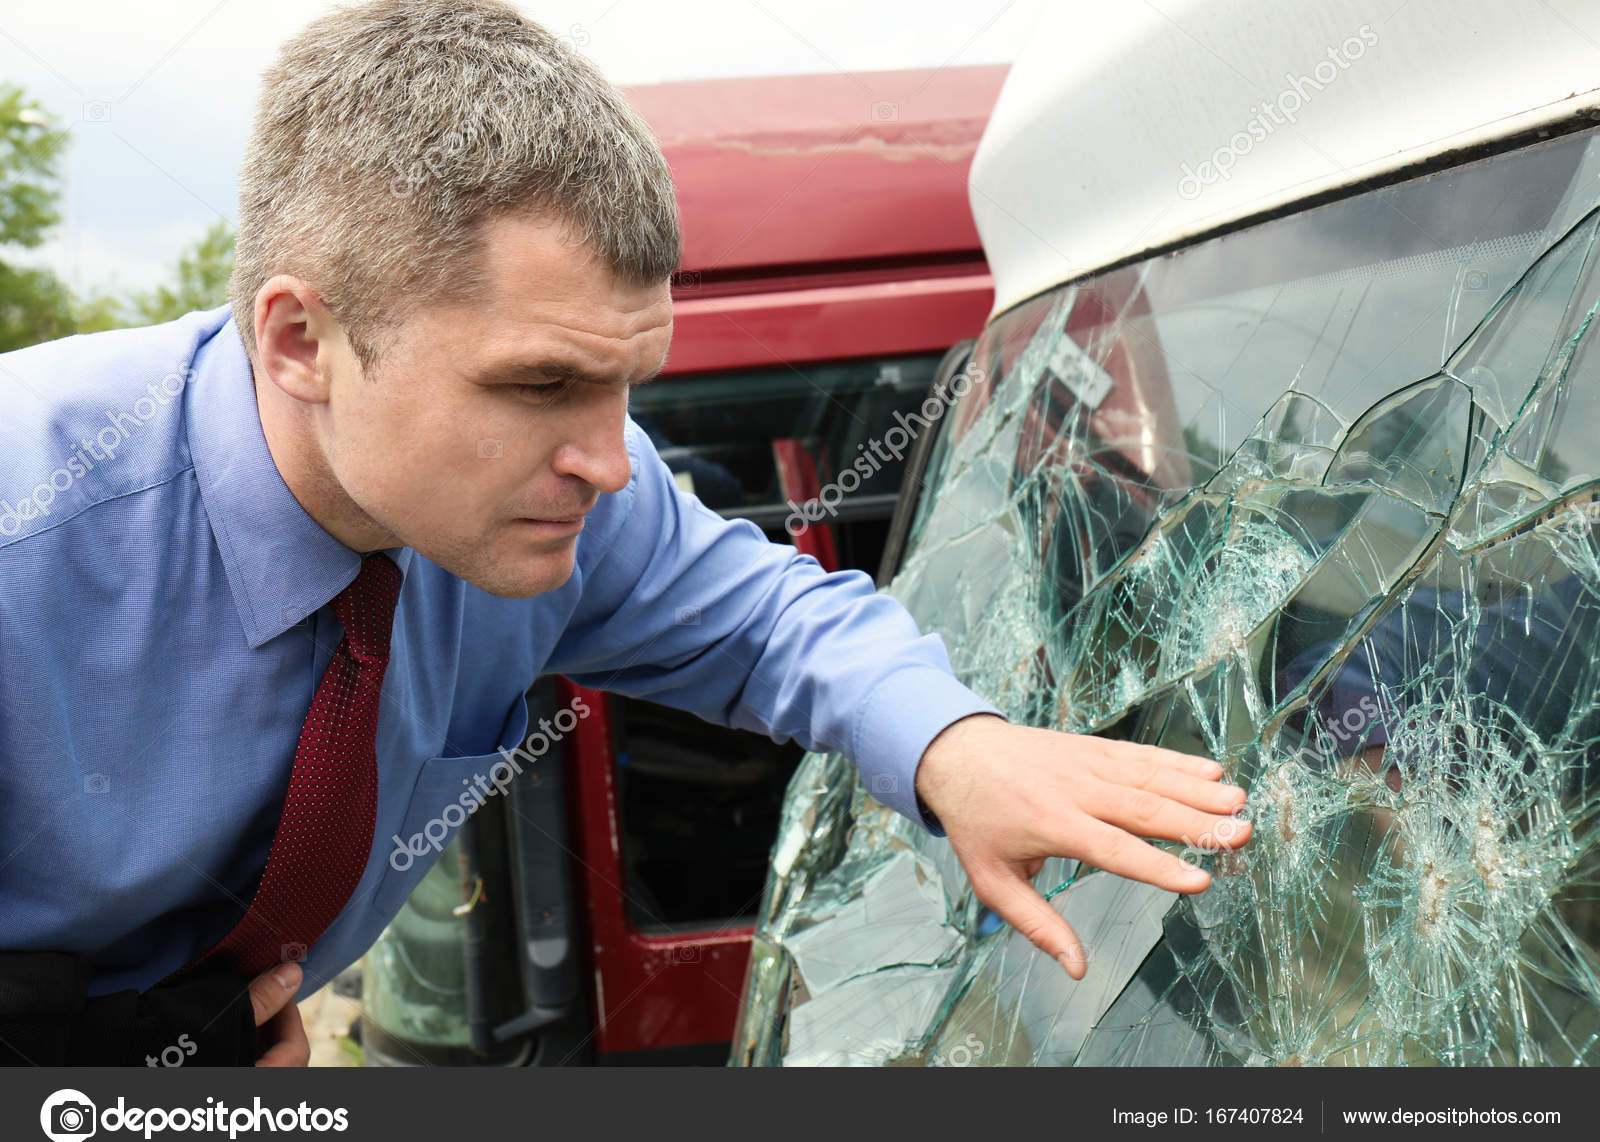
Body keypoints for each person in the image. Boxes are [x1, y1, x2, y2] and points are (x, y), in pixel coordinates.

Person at [0, 0, 1249, 1067]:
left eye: (627, 387)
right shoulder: (29, 530)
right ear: (300, 341)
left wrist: (952, 747)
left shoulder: (565, 500)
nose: (609, 463)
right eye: (540, 385)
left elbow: (769, 621)